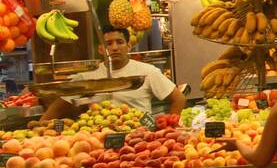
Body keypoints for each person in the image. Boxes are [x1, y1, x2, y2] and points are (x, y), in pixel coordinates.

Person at [45, 26, 185, 120]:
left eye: (119, 42)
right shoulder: (88, 75)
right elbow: (60, 105)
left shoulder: (147, 71)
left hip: (140, 138)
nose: (115, 48)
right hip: (99, 137)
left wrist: (170, 128)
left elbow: (178, 98)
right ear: (101, 49)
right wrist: (40, 126)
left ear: (129, 46)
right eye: (109, 44)